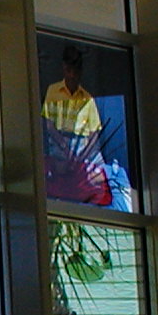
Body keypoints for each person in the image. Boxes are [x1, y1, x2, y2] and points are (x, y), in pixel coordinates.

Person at [42, 42, 112, 205]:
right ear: (64, 69)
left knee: (101, 175)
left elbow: (94, 134)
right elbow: (49, 126)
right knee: (62, 174)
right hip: (59, 142)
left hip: (82, 145)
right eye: (69, 70)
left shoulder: (87, 98)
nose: (72, 75)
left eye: (76, 71)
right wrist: (66, 149)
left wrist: (85, 154)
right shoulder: (53, 91)